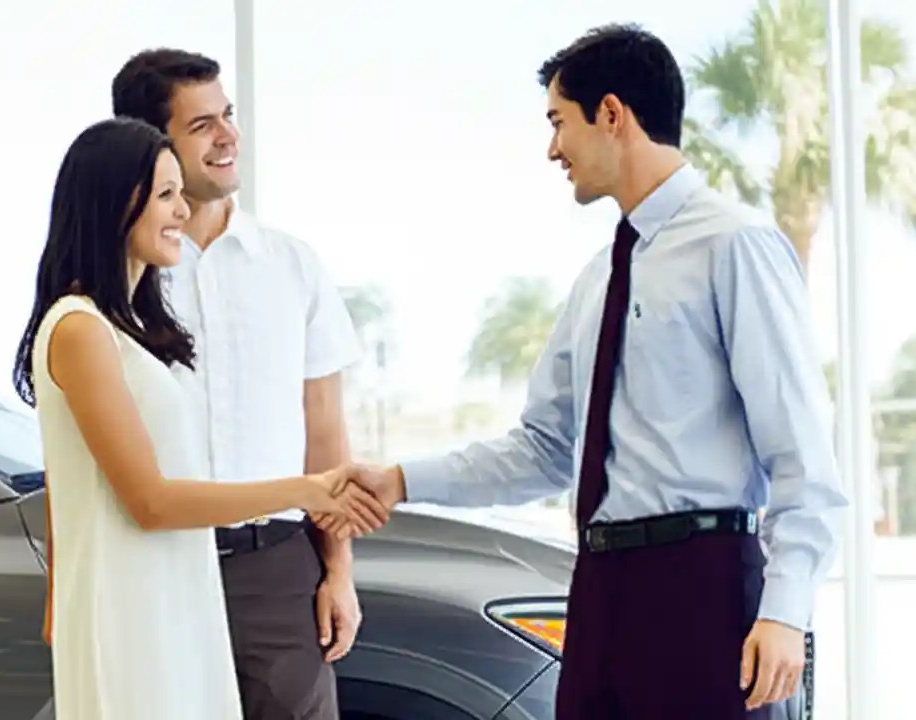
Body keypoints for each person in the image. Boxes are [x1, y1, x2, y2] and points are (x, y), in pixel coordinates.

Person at [329, 24, 848, 720]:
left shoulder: (736, 246)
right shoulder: (598, 278)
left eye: (558, 122)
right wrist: (398, 481)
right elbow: (543, 448)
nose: (552, 149)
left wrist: (786, 611)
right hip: (602, 589)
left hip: (705, 586)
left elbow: (802, 455)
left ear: (612, 114)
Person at [11, 117, 382, 720]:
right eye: (165, 195)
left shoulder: (126, 329)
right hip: (138, 608)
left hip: (172, 598)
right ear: (115, 203)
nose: (182, 211)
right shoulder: (80, 329)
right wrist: (309, 489)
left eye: (179, 193)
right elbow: (149, 501)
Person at [111, 48, 371, 719]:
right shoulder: (114, 283)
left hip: (277, 569)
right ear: (151, 148)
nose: (229, 136)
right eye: (202, 126)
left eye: (227, 116)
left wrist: (337, 570)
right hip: (156, 566)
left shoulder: (292, 265)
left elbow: (324, 431)